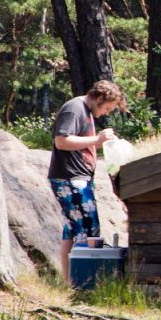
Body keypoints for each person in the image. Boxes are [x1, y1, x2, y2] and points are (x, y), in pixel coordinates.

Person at [48, 79, 127, 270]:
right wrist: (98, 139)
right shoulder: (74, 109)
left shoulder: (86, 111)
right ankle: (84, 278)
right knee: (88, 228)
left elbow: (80, 143)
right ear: (99, 99)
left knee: (71, 230)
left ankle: (70, 280)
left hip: (78, 177)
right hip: (70, 178)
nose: (106, 113)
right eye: (107, 108)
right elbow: (61, 141)